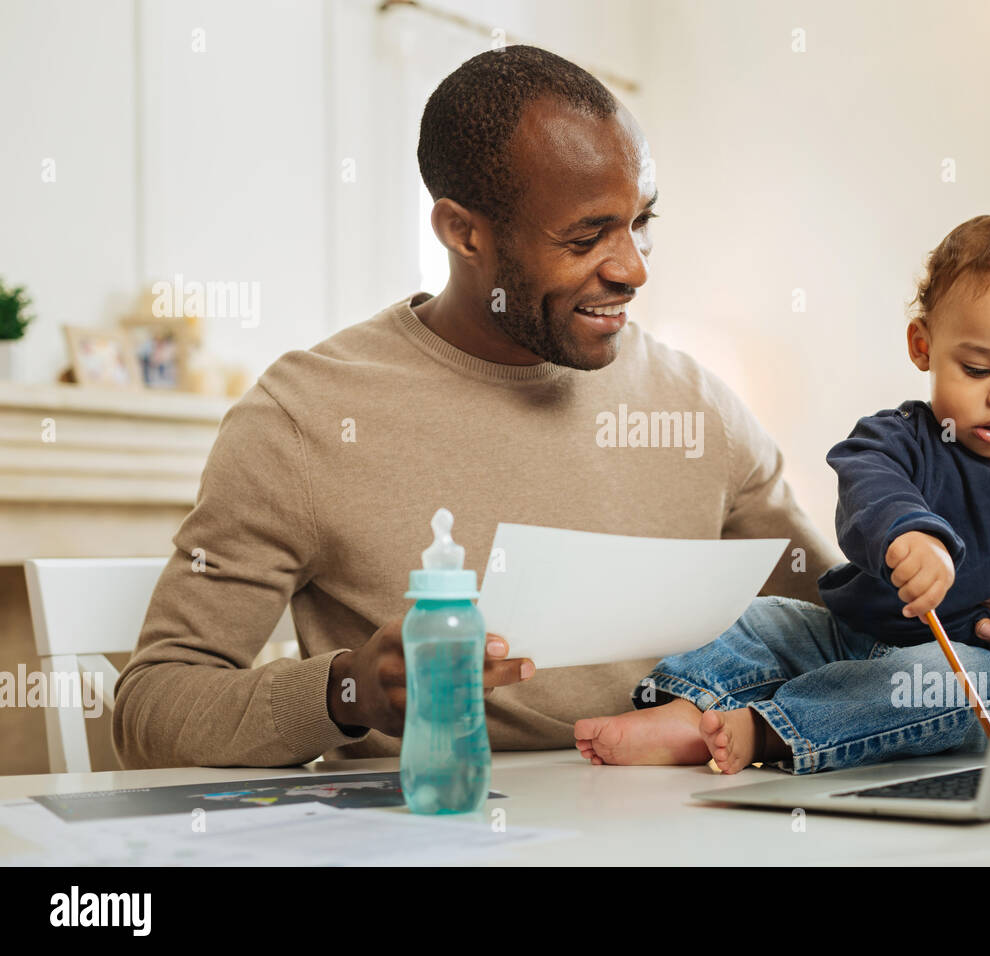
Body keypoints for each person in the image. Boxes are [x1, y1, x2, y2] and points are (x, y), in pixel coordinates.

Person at [111, 45, 846, 770]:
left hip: (683, 821)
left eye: (640, 222)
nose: (633, 269)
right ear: (463, 232)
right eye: (588, 236)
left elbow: (852, 620)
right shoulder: (305, 416)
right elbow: (153, 707)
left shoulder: (695, 407)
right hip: (439, 824)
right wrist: (349, 692)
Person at [574, 207, 990, 775]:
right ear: (922, 346)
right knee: (764, 617)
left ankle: (771, 731)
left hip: (958, 668)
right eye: (976, 369)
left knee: (967, 685)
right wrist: (910, 534)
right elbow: (869, 485)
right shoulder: (898, 436)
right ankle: (686, 710)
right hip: (843, 636)